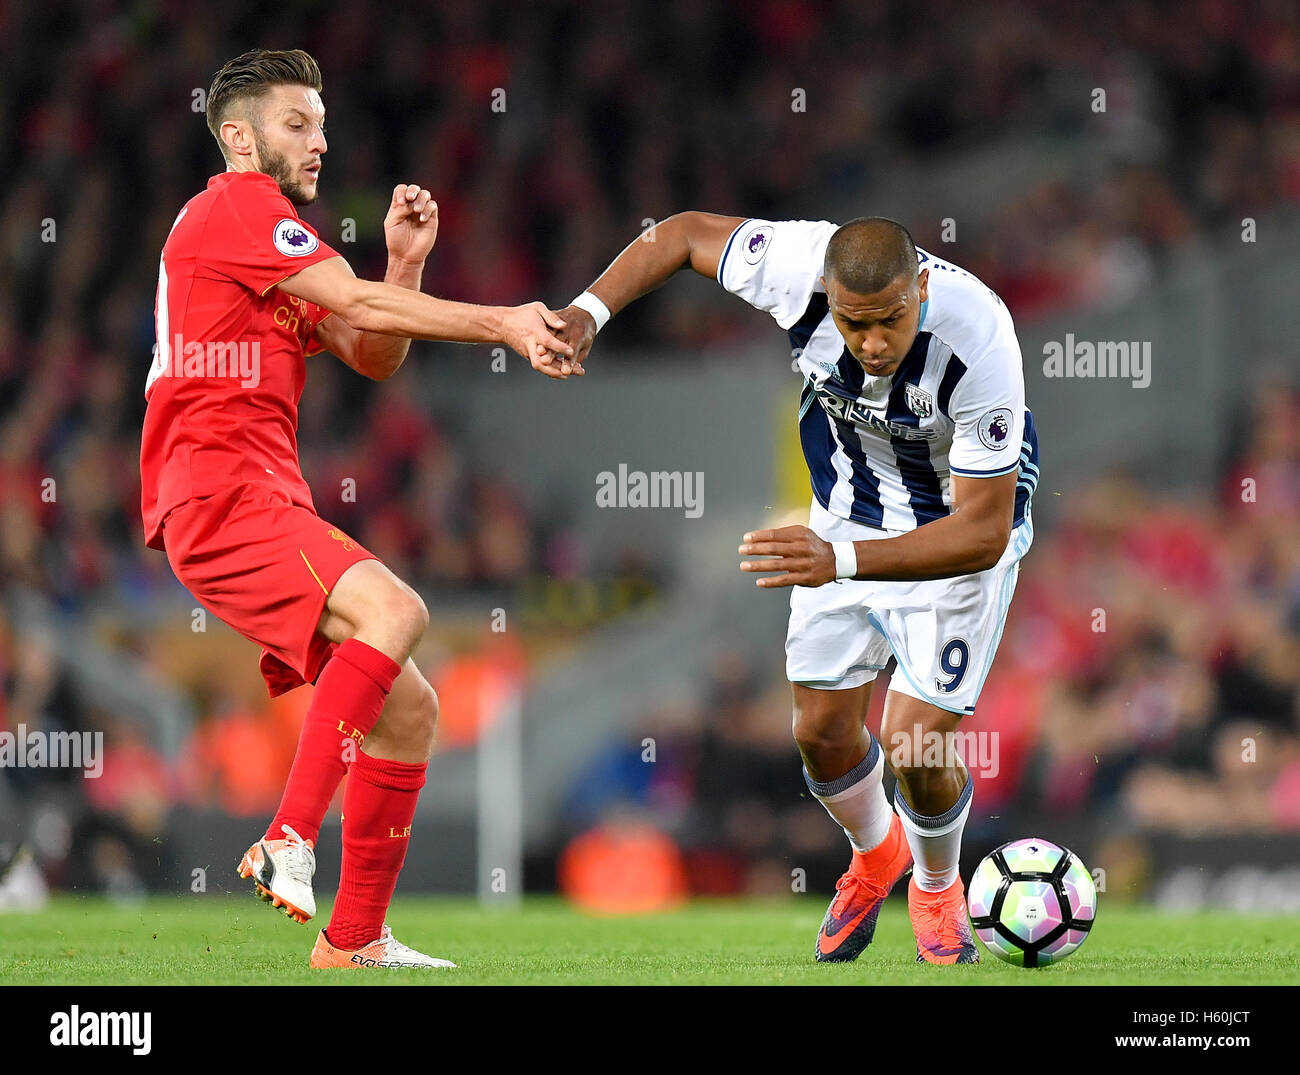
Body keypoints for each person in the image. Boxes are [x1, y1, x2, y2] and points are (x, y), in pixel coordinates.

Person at [140, 48, 574, 970]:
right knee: (400, 610)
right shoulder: (239, 207)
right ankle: (288, 835)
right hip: (220, 493)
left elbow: (369, 350)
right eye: (299, 123)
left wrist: (405, 264)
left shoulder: (267, 242)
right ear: (238, 136)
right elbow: (347, 300)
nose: (321, 142)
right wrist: (502, 321)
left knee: (410, 710)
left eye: (324, 125)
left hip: (240, 497)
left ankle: (353, 938)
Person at [549, 214, 1038, 965]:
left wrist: (839, 561)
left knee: (913, 741)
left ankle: (938, 886)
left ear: (923, 290)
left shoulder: (981, 337)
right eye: (853, 322)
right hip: (845, 509)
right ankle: (878, 854)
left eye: (890, 321)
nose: (871, 343)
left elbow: (985, 532)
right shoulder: (794, 262)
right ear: (824, 293)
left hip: (948, 527)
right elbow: (678, 235)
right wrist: (589, 310)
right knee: (818, 733)